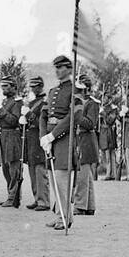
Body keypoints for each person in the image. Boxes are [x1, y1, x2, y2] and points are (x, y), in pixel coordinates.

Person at [42, 55, 76, 230]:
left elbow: (73, 116)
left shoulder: (74, 91)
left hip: (63, 139)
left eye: (61, 67)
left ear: (69, 69)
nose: (57, 71)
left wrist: (53, 135)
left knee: (61, 181)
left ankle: (64, 218)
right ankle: (61, 215)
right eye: (56, 67)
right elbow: (43, 115)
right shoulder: (53, 91)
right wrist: (44, 136)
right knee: (53, 180)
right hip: (50, 140)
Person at [22, 76, 50, 211]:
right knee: (32, 169)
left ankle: (43, 200)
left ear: (41, 86)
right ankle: (36, 197)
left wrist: (28, 115)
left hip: (39, 136)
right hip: (31, 137)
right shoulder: (33, 102)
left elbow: (42, 121)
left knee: (40, 170)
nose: (33, 89)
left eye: (36, 86)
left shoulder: (44, 102)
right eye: (32, 86)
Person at [74, 73, 99, 215]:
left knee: (82, 176)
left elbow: (90, 123)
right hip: (81, 139)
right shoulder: (80, 102)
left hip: (87, 140)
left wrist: (77, 117)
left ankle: (80, 205)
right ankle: (89, 206)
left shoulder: (92, 103)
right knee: (87, 176)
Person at [0, 78, 23, 207]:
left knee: (13, 167)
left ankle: (13, 197)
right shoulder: (5, 101)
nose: (4, 89)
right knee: (5, 167)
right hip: (4, 135)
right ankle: (10, 195)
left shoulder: (17, 103)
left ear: (14, 87)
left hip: (13, 134)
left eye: (6, 86)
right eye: (2, 86)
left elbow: (15, 120)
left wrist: (3, 113)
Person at [97, 86, 118, 180]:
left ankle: (111, 173)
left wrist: (104, 113)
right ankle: (108, 172)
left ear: (109, 99)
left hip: (109, 132)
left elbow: (110, 120)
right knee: (104, 153)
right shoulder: (101, 108)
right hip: (102, 132)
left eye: (105, 98)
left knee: (109, 154)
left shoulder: (113, 109)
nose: (104, 100)